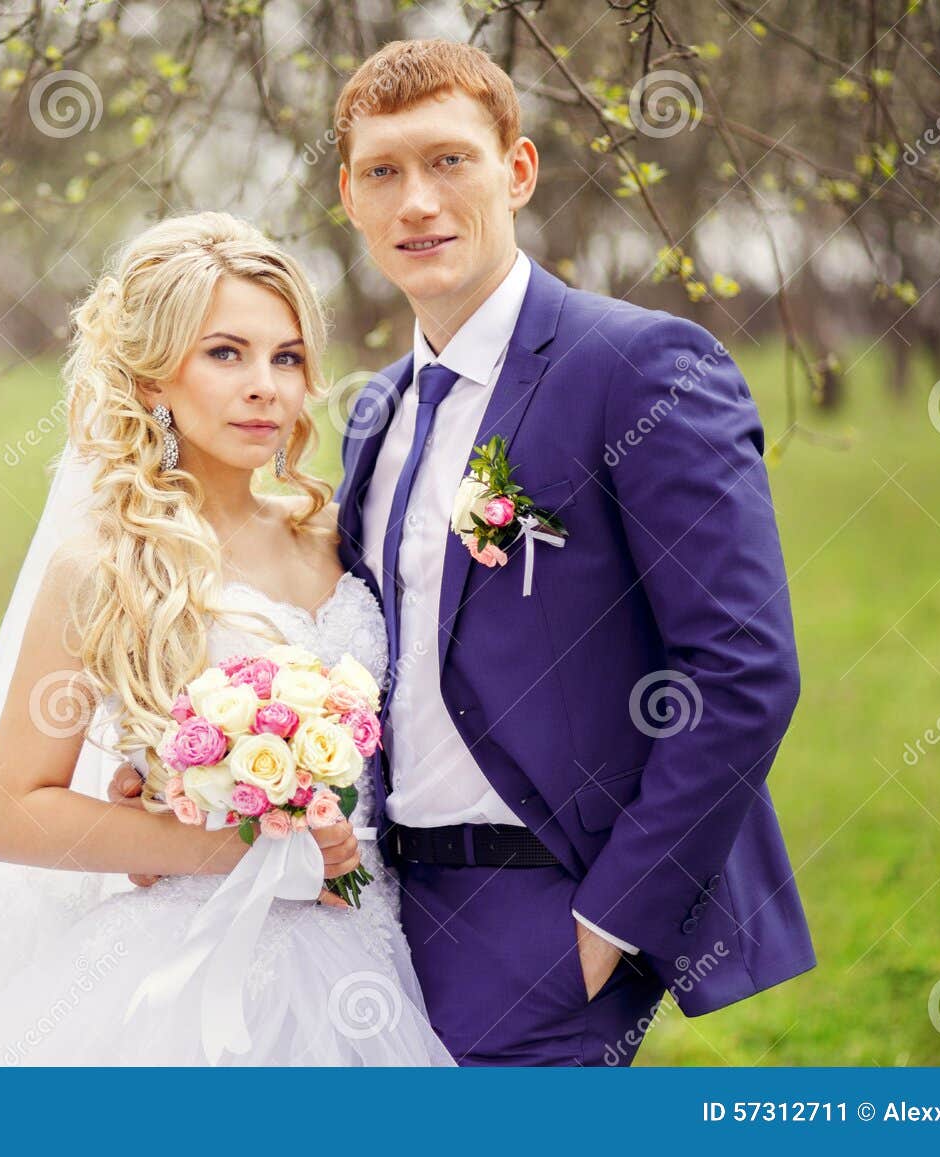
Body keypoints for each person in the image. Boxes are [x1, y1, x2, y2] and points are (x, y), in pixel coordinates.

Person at [0, 210, 453, 1066]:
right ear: (154, 379)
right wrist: (237, 849)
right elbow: (16, 809)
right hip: (183, 971)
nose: (264, 387)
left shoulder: (336, 539)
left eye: (285, 358)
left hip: (373, 949)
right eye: (224, 353)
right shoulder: (106, 565)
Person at [324, 39, 816, 1065]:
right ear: (351, 199)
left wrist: (603, 929)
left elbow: (742, 671)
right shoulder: (375, 411)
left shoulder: (640, 368)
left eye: (448, 160)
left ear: (517, 169)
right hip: (372, 919)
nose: (416, 200)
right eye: (383, 171)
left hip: (540, 917)